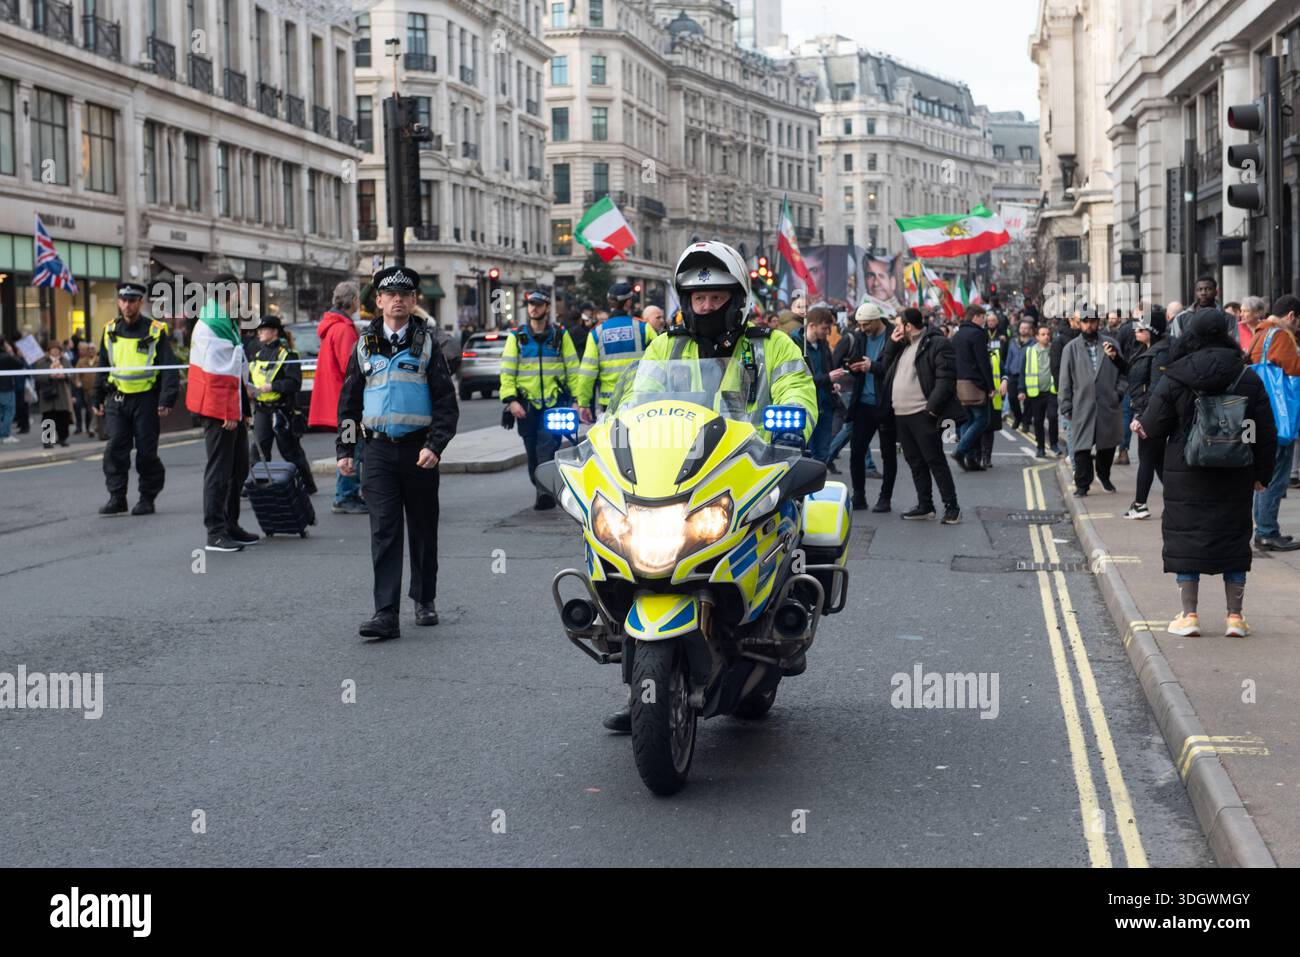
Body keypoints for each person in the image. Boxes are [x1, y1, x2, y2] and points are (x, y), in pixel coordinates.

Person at [601, 239, 817, 734]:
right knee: (629, 549)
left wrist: (792, 426)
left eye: (715, 297)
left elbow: (798, 393)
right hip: (676, 477)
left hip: (748, 472)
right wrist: (610, 436)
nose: (705, 306)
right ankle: (644, 691)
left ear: (736, 297)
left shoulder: (771, 346)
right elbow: (634, 401)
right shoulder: (665, 347)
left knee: (786, 527)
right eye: (696, 298)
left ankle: (783, 621)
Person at [1135, 309, 1276, 637]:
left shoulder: (1176, 375)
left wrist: (1142, 424)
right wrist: (1260, 472)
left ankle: (1190, 616)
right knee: (1235, 542)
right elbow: (1260, 430)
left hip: (1187, 472)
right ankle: (1235, 618)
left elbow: (1155, 426)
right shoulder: (1246, 376)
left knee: (1186, 541)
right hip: (1236, 471)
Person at [337, 265, 459, 639]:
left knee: (423, 529)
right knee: (384, 532)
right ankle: (385, 612)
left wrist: (434, 445)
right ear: (378, 302)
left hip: (418, 451)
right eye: (390, 295)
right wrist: (346, 448)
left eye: (405, 295)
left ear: (413, 301)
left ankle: (424, 600)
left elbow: (445, 403)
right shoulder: (364, 345)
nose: (398, 300)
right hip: (377, 452)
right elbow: (349, 403)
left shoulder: (426, 344)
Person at [91, 281, 179, 515]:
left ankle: (147, 498)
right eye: (123, 300)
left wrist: (166, 399)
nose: (127, 305)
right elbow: (103, 364)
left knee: (146, 452)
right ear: (119, 302)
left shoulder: (155, 330)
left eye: (132, 301)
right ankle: (117, 497)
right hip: (117, 399)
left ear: (140, 302)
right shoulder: (109, 330)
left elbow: (169, 367)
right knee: (115, 449)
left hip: (146, 400)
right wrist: (96, 396)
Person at [189, 274, 258, 552]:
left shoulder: (224, 320)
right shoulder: (213, 324)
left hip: (232, 407)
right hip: (220, 409)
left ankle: (230, 524)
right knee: (219, 470)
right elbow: (217, 375)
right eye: (239, 292)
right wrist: (229, 411)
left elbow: (234, 368)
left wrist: (245, 407)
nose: (242, 297)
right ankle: (215, 533)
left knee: (238, 468)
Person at [878, 307, 964, 524]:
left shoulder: (936, 343)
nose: (896, 329)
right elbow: (885, 369)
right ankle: (925, 505)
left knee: (935, 460)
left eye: (899, 325)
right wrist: (892, 343)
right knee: (915, 461)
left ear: (908, 325)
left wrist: (932, 409)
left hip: (922, 412)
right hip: (901, 414)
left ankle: (952, 507)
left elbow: (946, 379)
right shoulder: (902, 346)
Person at [500, 287, 581, 509]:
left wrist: (576, 399)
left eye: (538, 304)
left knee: (547, 447)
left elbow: (572, 369)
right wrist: (511, 400)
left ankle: (544, 492)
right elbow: (507, 372)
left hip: (554, 404)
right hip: (526, 406)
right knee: (532, 450)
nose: (533, 308)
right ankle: (540, 486)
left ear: (547, 307)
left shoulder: (560, 335)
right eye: (530, 304)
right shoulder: (517, 337)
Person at [1245, 294, 1300, 551]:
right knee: (1277, 475)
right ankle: (1267, 530)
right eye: (1298, 322)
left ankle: (1263, 529)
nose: (1297, 328)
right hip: (1280, 418)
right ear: (1291, 316)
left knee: (1263, 475)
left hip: (1260, 416)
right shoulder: (1280, 337)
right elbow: (1295, 370)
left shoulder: (1259, 334)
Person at [311, 280, 368, 515]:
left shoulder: (331, 326)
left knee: (349, 445)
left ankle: (346, 493)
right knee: (352, 446)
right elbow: (350, 366)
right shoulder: (343, 329)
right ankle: (346, 495)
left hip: (336, 397)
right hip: (346, 399)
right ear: (353, 301)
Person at [249, 313, 318, 494]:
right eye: (259, 330)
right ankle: (258, 484)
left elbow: (294, 383)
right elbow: (251, 378)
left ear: (274, 332)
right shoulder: (257, 355)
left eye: (263, 330)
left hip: (282, 410)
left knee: (290, 451)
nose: (260, 333)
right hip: (262, 410)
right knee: (258, 450)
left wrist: (272, 386)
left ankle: (306, 485)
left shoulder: (288, 354)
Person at [1059, 313, 1127, 496]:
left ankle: (1104, 476)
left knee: (1107, 445)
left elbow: (1123, 372)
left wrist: (1118, 393)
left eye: (1093, 321)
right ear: (1079, 324)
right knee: (1081, 447)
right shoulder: (1070, 349)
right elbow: (1064, 380)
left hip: (1107, 403)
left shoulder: (1111, 344)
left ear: (1099, 322)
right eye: (1085, 322)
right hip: (1081, 404)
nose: (1089, 325)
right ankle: (1082, 484)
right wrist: (1065, 405)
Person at [840, 302, 896, 512]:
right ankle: (859, 494)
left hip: (885, 403)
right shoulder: (861, 337)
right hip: (863, 402)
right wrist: (854, 368)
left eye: (865, 325)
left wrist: (872, 366)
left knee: (887, 453)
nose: (862, 329)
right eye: (860, 325)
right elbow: (858, 364)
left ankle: (885, 498)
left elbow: (891, 369)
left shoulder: (893, 335)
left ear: (876, 321)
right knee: (857, 451)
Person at [576, 282, 656, 420]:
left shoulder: (596, 333)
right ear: (628, 302)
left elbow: (587, 373)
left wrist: (583, 403)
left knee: (613, 440)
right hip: (640, 400)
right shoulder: (644, 328)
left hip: (610, 403)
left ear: (610, 303)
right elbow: (660, 363)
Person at [1123, 314, 1170, 519]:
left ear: (1153, 331)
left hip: (1152, 415)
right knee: (1157, 460)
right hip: (1149, 412)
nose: (1136, 331)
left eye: (1141, 328)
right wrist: (1116, 359)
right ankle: (1176, 501)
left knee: (1147, 459)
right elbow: (1134, 378)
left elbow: (1155, 389)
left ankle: (1140, 505)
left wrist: (1141, 416)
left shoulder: (1160, 354)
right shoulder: (1146, 350)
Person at [790, 305, 845, 462]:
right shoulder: (794, 345)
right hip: (806, 405)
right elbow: (799, 380)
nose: (827, 332)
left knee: (822, 454)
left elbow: (826, 370)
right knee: (806, 453)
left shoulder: (823, 344)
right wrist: (828, 378)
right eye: (825, 328)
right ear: (812, 326)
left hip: (825, 404)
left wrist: (832, 384)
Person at [951, 304, 995, 472]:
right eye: (983, 317)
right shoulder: (977, 334)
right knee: (982, 420)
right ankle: (960, 451)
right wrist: (990, 386)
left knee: (967, 421)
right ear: (976, 316)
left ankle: (970, 460)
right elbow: (983, 363)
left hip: (959, 384)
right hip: (975, 384)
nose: (984, 321)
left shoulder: (957, 335)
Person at [1018, 323, 1059, 457]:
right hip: (1035, 392)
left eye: (1048, 334)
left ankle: (1054, 444)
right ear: (1036, 337)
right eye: (1043, 334)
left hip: (1052, 390)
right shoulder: (1029, 351)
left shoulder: (1054, 350)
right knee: (1038, 421)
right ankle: (1040, 447)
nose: (1046, 337)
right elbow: (1023, 371)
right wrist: (1021, 389)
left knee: (1053, 417)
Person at [33, 342, 73, 448]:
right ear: (49, 350)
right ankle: (48, 441)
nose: (55, 351)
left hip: (62, 394)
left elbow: (72, 374)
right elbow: (38, 376)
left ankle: (62, 439)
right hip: (47, 394)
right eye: (52, 349)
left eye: (57, 349)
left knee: (63, 418)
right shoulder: (42, 362)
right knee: (48, 417)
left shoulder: (65, 361)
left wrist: (64, 375)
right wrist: (49, 376)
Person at [1004, 319, 1034, 432]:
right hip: (1013, 374)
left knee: (1028, 401)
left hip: (1028, 375)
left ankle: (1025, 422)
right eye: (1022, 328)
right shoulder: (1013, 342)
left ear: (1030, 330)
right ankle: (1018, 417)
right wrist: (1006, 372)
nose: (1024, 330)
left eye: (1026, 328)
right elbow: (1009, 358)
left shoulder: (1033, 343)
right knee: (1012, 398)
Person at [0, 338, 21, 444]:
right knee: (9, 411)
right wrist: (11, 352)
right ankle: (5, 435)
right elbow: (19, 364)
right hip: (6, 387)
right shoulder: (7, 357)